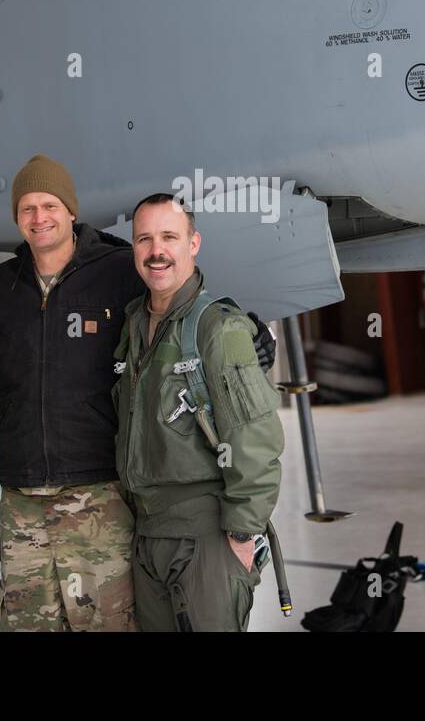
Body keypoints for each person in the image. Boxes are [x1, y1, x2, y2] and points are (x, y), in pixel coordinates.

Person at [0, 155, 276, 631]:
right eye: (27, 208)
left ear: (71, 210)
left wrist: (250, 330)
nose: (39, 217)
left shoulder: (116, 272)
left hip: (106, 496)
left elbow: (184, 298)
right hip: (30, 496)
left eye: (50, 204)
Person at [113, 192, 284, 632]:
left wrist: (243, 535)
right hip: (148, 533)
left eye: (169, 236)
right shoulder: (134, 326)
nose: (157, 251)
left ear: (193, 243)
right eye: (144, 239)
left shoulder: (218, 327)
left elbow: (256, 439)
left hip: (204, 535)